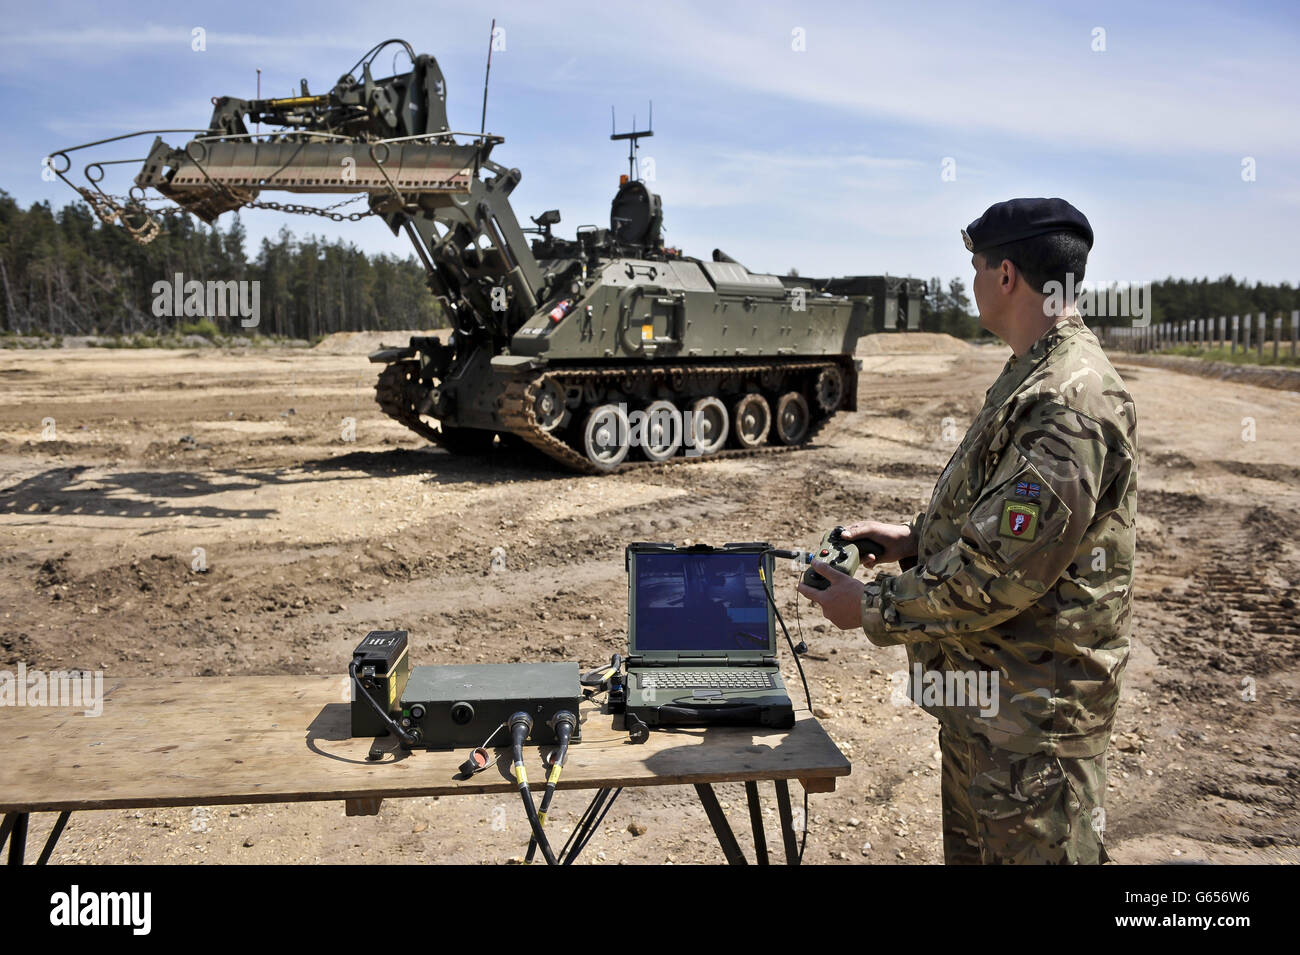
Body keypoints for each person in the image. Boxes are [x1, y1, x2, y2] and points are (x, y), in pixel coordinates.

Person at [798, 198, 1138, 865]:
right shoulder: (1034, 372)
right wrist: (912, 540)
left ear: (1006, 276)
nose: (971, 282)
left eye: (976, 266)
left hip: (1032, 733)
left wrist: (869, 606)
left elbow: (998, 575)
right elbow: (1003, 517)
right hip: (995, 713)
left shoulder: (1067, 400)